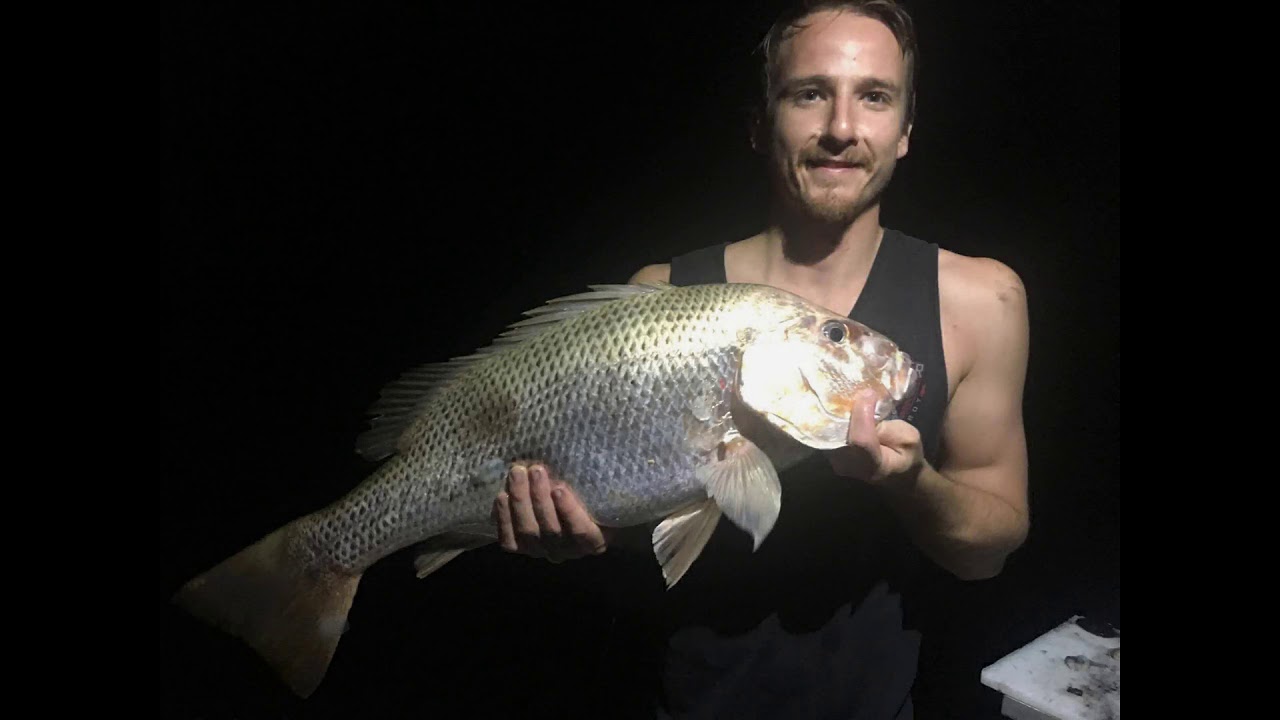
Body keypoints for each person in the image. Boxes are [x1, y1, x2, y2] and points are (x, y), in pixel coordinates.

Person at [490, 1, 1030, 717]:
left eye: (874, 96)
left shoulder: (980, 301)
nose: (841, 127)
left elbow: (988, 548)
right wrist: (576, 535)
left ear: (904, 131)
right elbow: (627, 521)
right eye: (809, 93)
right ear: (759, 124)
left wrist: (912, 482)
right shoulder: (659, 298)